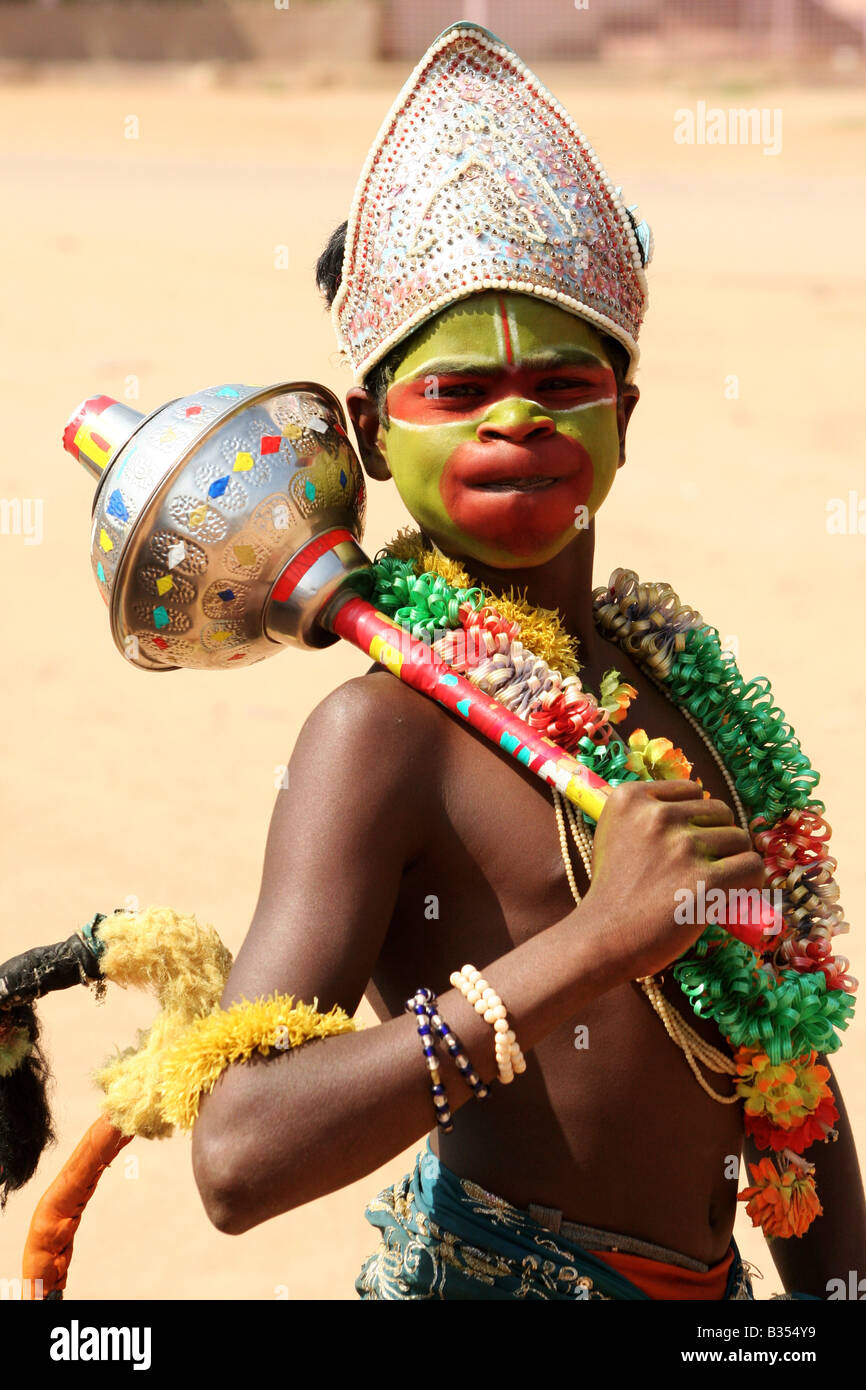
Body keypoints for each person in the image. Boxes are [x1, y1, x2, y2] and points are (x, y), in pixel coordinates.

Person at [190, 20, 864, 1300]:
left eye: (563, 381)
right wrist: (596, 942)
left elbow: (776, 1048)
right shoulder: (379, 736)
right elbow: (238, 1152)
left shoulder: (672, 690)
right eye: (452, 393)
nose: (516, 416)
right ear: (370, 437)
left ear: (623, 420)